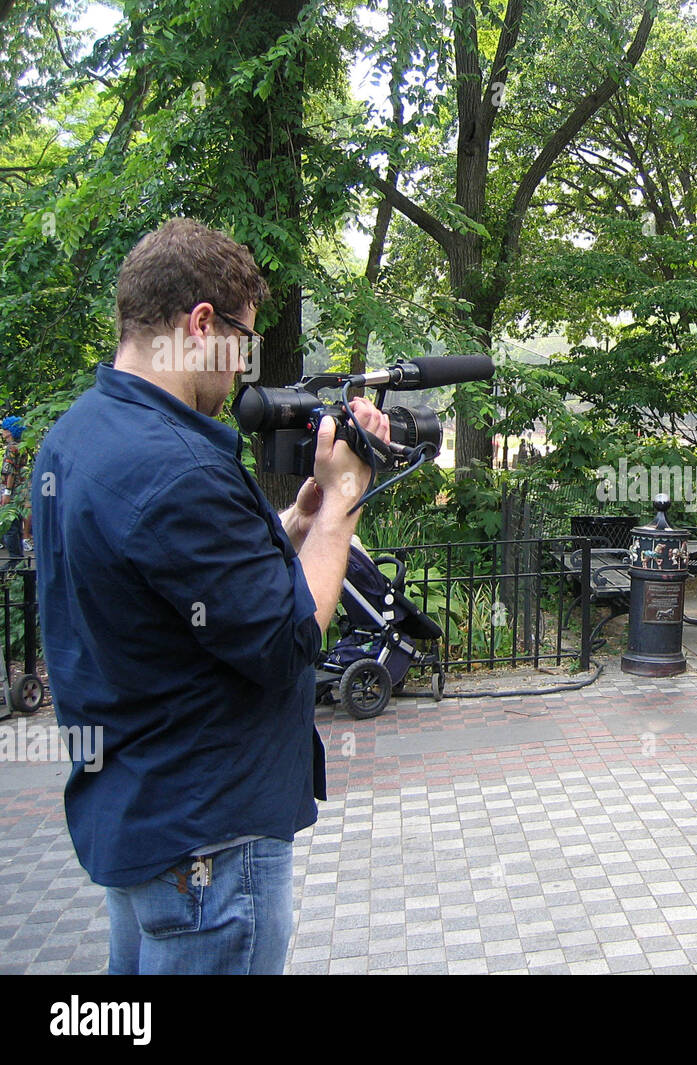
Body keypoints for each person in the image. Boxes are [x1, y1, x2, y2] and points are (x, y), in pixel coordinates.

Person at [33, 217, 391, 975]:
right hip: (210, 854)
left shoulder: (77, 438)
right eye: (242, 342)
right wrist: (348, 499)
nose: (240, 375)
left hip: (138, 825)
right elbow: (286, 637)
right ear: (200, 325)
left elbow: (181, 589)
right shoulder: (178, 466)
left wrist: (299, 522)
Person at [0, 416, 28, 559]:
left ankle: (14, 558)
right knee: (16, 525)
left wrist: (7, 492)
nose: (2, 434)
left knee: (9, 525)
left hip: (11, 490)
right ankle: (18, 557)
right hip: (20, 490)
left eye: (4, 431)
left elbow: (10, 471)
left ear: (10, 432)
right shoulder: (22, 447)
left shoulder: (11, 449)